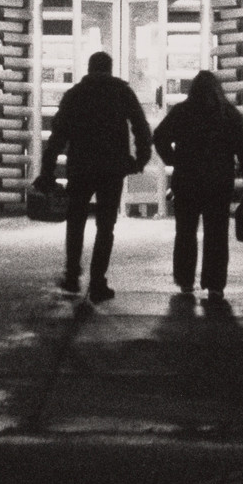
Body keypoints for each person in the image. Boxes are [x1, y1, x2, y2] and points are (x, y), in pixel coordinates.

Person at [35, 51, 152, 303]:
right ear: (109, 69)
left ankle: (72, 274)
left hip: (81, 167)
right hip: (112, 169)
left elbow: (58, 136)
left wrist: (48, 169)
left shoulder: (75, 95)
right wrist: (140, 159)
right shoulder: (122, 92)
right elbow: (141, 126)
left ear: (89, 69)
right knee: (106, 226)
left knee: (75, 221)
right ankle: (98, 281)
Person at [151, 70, 243, 301]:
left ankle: (185, 281)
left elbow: (159, 136)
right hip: (219, 183)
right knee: (217, 234)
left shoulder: (182, 111)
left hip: (187, 181)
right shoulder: (228, 114)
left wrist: (173, 159)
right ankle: (215, 284)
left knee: (186, 232)